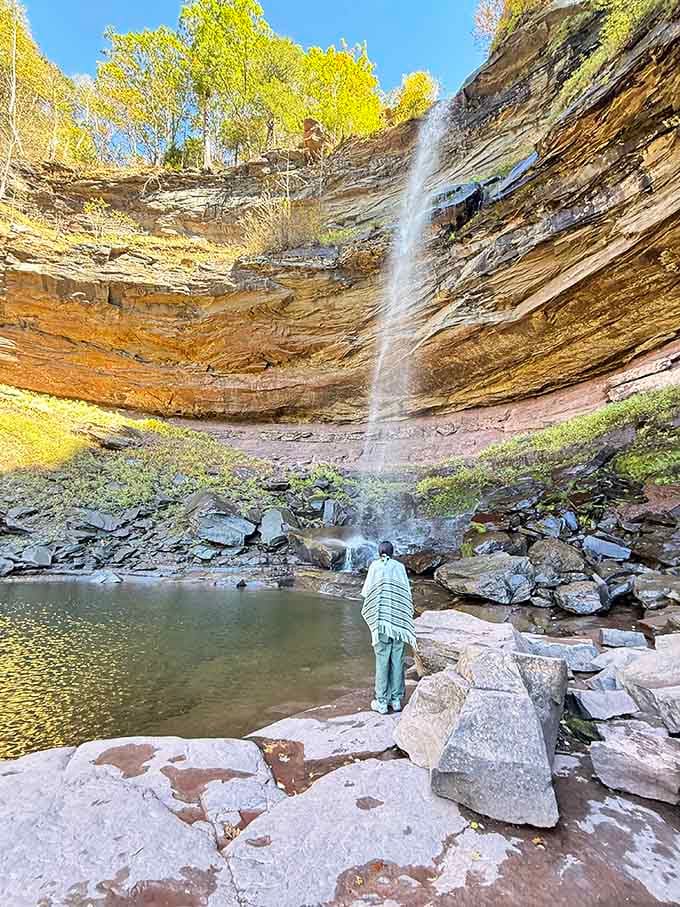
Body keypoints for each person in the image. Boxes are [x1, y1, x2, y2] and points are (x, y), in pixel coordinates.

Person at [360, 540, 415, 715]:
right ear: (392, 553)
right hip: (398, 622)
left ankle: (382, 702)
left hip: (381, 622)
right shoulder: (399, 567)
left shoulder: (375, 566)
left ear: (379, 552)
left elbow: (366, 592)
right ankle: (397, 700)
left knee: (382, 660)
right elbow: (406, 592)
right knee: (397, 659)